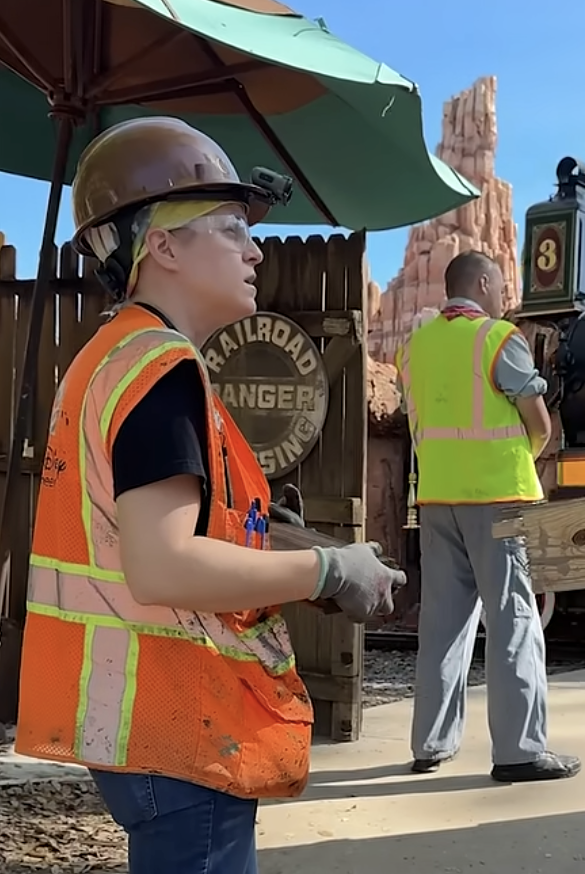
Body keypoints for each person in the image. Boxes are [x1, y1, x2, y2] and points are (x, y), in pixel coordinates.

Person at [14, 117, 405, 874]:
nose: (256, 249)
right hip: (178, 727)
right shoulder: (159, 371)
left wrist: (290, 542)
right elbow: (163, 568)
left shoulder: (115, 356)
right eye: (231, 229)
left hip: (153, 728)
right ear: (162, 246)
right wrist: (328, 573)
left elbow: (170, 532)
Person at [395, 250, 581, 782]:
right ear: (482, 283)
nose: (504, 296)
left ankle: (430, 744)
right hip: (498, 500)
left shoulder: (416, 347)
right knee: (514, 624)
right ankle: (520, 752)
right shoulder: (498, 338)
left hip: (436, 500)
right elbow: (537, 419)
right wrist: (533, 451)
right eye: (500, 286)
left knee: (442, 626)